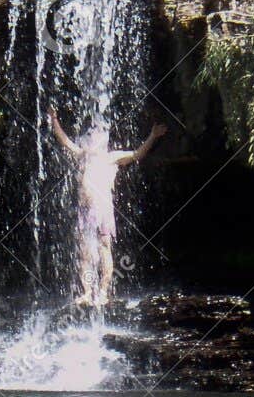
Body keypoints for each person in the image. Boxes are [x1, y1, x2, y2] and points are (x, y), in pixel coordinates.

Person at [48, 107, 167, 308]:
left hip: (102, 209)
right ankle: (87, 292)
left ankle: (102, 292)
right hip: (85, 211)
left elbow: (137, 154)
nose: (89, 137)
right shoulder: (83, 155)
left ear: (102, 139)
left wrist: (152, 136)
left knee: (104, 249)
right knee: (84, 251)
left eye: (93, 134)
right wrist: (54, 120)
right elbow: (64, 140)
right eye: (88, 134)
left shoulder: (111, 157)